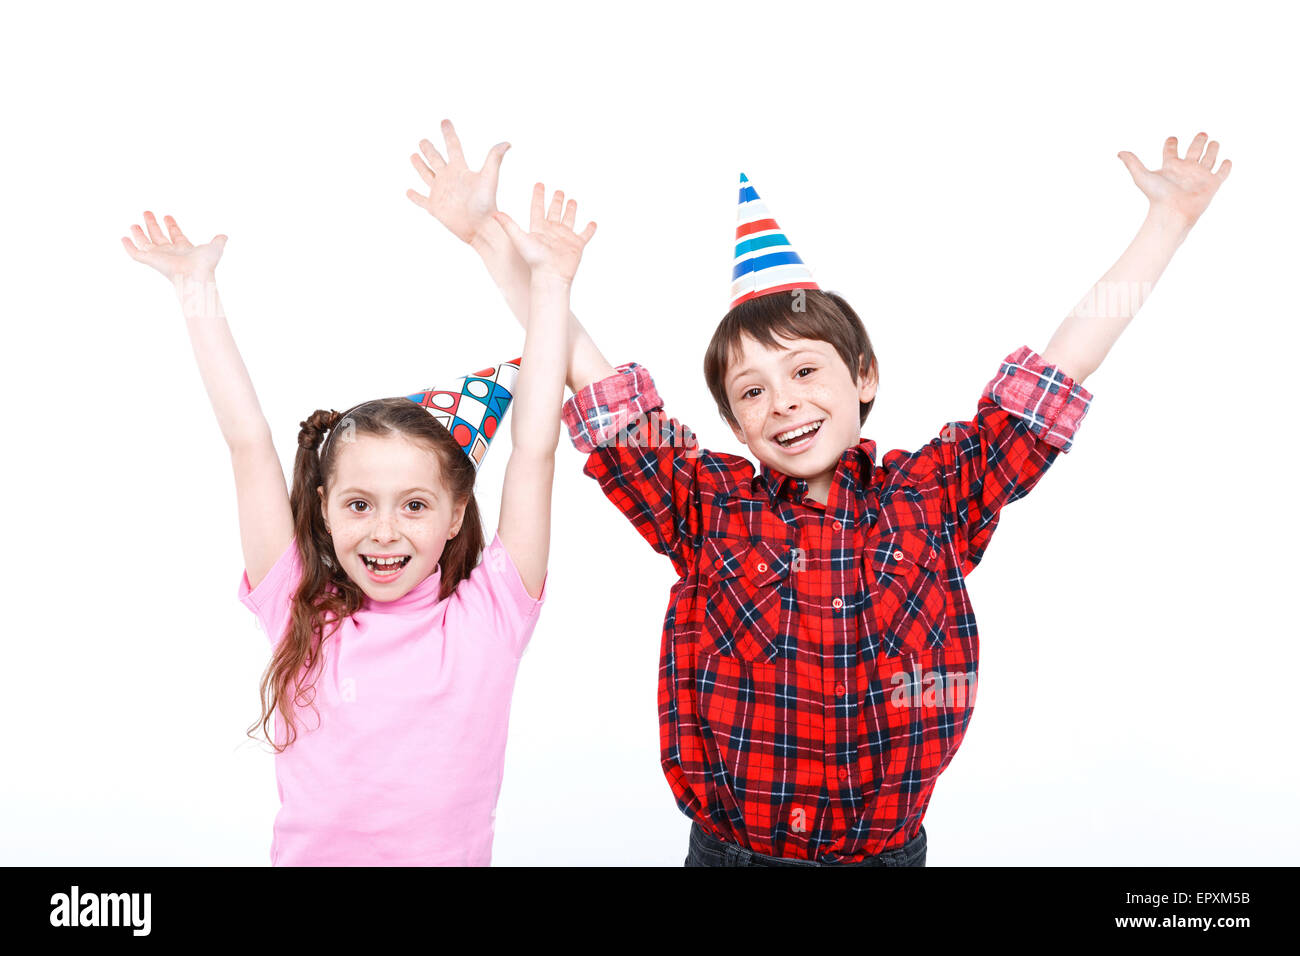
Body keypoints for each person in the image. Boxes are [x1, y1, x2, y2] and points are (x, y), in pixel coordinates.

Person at [409, 121, 1229, 865]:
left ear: (863, 376)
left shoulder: (938, 493)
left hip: (884, 855)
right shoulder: (706, 503)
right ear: (733, 422)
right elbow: (589, 374)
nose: (785, 402)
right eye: (753, 391)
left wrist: (1166, 227)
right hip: (729, 851)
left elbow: (1061, 367)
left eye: (805, 371)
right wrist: (493, 245)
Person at [119, 181, 595, 865]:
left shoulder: (491, 615)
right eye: (359, 504)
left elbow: (535, 450)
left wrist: (550, 286)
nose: (384, 531)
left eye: (415, 505)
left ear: (457, 512)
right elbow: (247, 440)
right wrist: (195, 288)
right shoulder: (296, 604)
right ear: (321, 506)